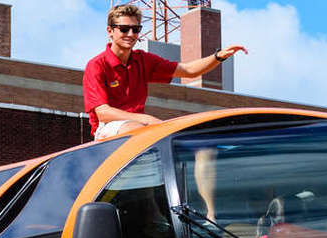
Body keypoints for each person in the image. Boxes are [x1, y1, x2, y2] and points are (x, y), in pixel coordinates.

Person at [83, 4, 246, 140]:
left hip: (138, 125)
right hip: (108, 130)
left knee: (187, 141)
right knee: (141, 131)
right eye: (124, 29)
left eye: (136, 29)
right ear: (110, 31)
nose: (131, 34)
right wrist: (146, 119)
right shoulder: (97, 65)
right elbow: (103, 113)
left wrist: (218, 57)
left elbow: (188, 70)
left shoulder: (143, 60)